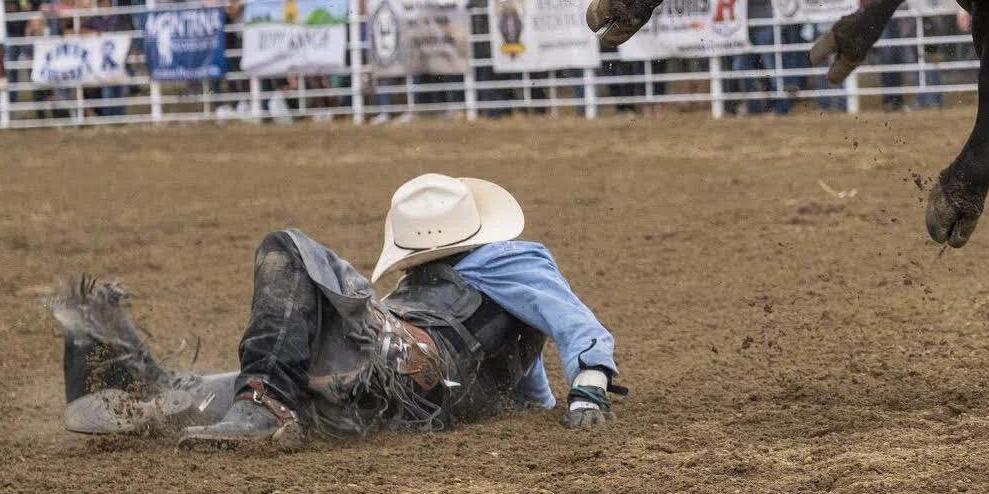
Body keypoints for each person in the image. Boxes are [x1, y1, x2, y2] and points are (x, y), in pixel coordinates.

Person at [53, 174, 623, 446]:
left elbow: (578, 326)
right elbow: (524, 381)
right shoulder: (503, 296)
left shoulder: (507, 260)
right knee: (234, 381)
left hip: (404, 361)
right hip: (394, 385)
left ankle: (262, 405)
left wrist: (591, 382)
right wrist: (566, 397)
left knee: (288, 249)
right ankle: (131, 390)